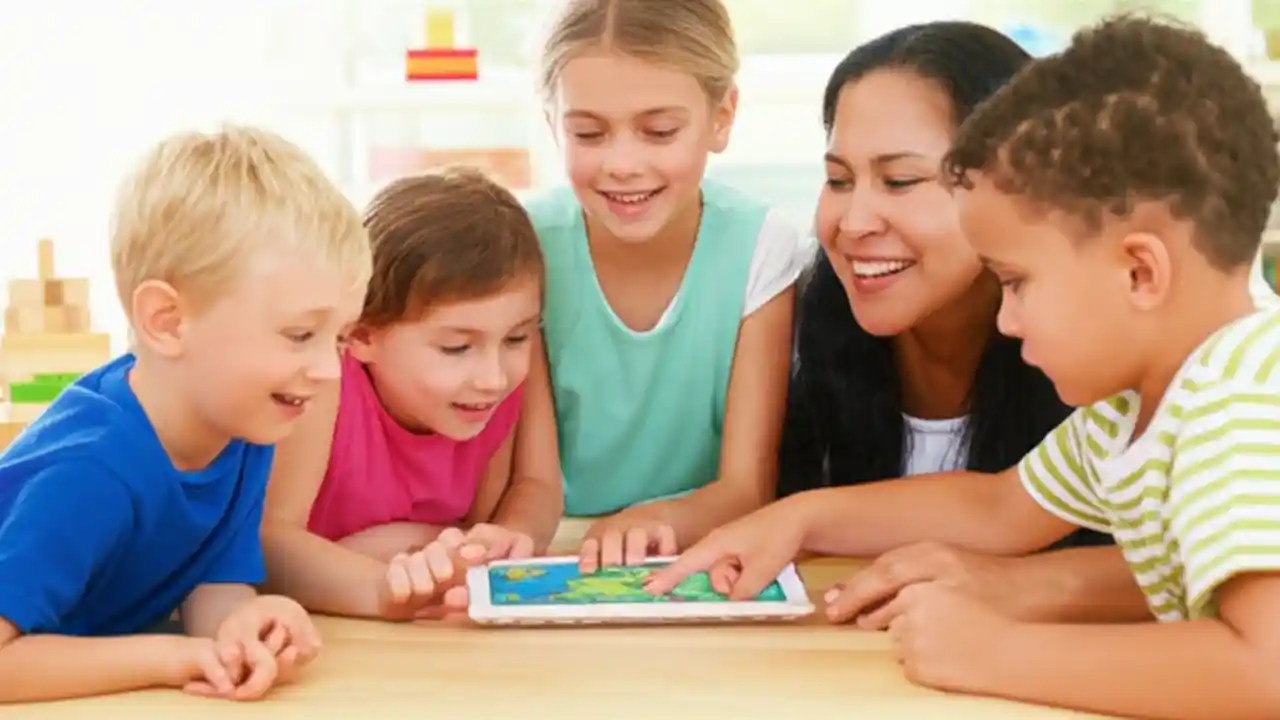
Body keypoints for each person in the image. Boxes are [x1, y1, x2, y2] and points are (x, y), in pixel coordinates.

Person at [650, 17, 1280, 719]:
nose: (1007, 320)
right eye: (837, 179)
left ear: (1139, 272)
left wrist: (995, 652)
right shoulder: (1129, 411)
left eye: (1018, 283)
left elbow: (1268, 671)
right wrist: (798, 519)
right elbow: (999, 508)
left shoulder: (1237, 400)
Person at [0, 125, 372, 702]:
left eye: (339, 338)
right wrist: (170, 658)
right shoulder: (88, 475)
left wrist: (243, 627)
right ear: (168, 322)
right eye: (300, 335)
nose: (330, 370)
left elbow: (212, 580)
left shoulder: (240, 429)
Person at [524, 0, 805, 571]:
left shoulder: (760, 245)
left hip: (696, 549)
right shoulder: (525, 244)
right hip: (560, 549)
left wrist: (654, 521)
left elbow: (746, 487)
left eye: (658, 132)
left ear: (722, 116)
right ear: (553, 123)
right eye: (588, 133)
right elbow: (533, 482)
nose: (622, 164)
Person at [262, 168, 561, 621]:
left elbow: (534, 486)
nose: (494, 377)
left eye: (517, 338)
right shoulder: (327, 380)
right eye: (456, 348)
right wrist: (388, 584)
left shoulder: (501, 377)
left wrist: (510, 538)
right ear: (361, 334)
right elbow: (268, 545)